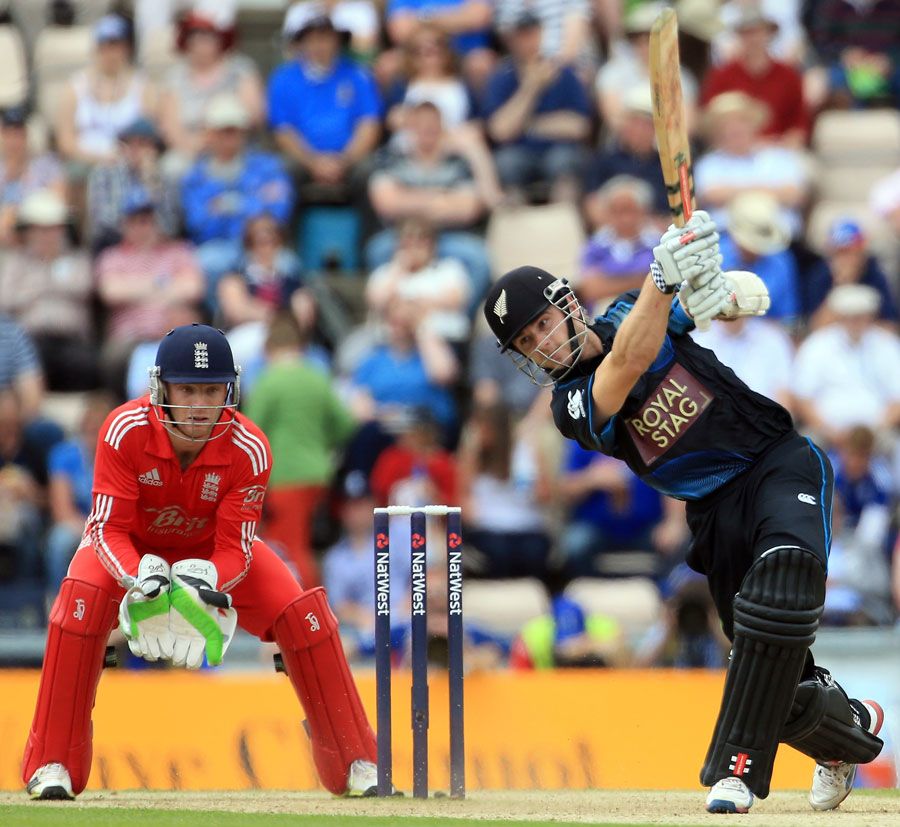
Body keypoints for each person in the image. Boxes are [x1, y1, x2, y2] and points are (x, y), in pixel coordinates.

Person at [482, 210, 884, 813]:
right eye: (525, 343)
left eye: (541, 324)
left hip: (776, 462)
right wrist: (662, 278)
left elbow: (699, 305)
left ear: (566, 304)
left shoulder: (624, 308)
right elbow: (626, 363)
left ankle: (735, 772)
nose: (541, 344)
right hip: (713, 512)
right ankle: (848, 730)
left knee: (783, 583)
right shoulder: (570, 405)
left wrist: (717, 291)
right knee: (770, 664)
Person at [22, 324, 382, 801]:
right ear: (160, 387)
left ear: (229, 390)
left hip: (212, 554)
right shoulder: (124, 429)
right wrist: (141, 576)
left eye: (210, 390)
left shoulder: (249, 447)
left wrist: (207, 577)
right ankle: (52, 763)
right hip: (129, 548)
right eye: (186, 389)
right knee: (79, 606)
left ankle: (356, 760)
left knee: (305, 616)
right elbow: (106, 529)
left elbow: (237, 545)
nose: (197, 404)